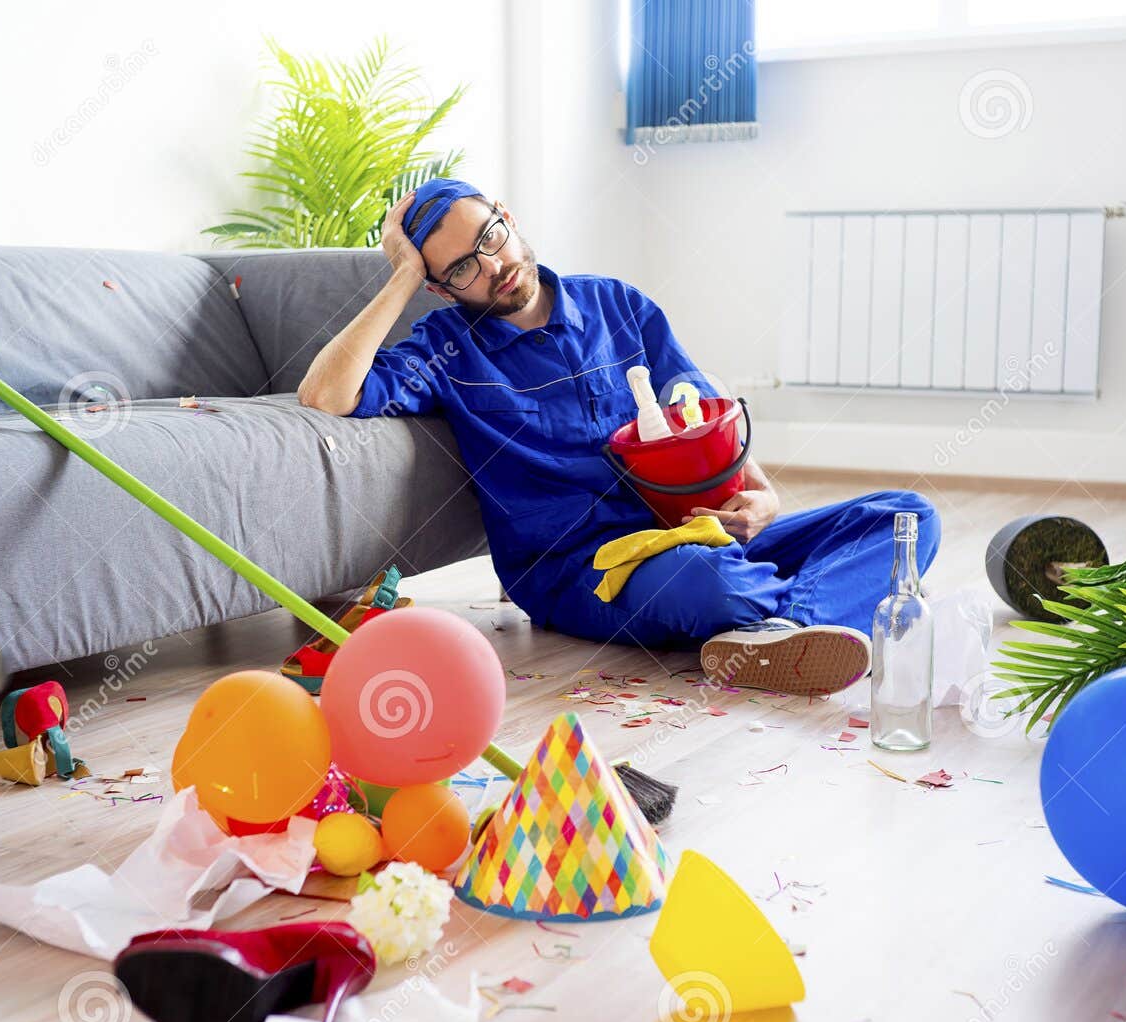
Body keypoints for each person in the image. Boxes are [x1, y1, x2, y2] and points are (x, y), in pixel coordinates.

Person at [298, 178, 940, 695]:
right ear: (439, 287)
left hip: (696, 527)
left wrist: (762, 496)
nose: (494, 265)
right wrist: (403, 274)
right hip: (583, 568)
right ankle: (800, 617)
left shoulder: (617, 304)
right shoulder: (444, 350)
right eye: (463, 267)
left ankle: (775, 630)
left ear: (509, 217)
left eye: (492, 237)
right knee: (705, 581)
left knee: (910, 518)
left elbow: (701, 412)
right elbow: (326, 394)